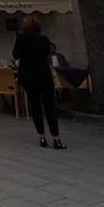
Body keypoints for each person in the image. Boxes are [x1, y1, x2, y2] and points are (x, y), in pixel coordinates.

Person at [12, 15, 66, 149]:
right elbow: (47, 53)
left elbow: (15, 54)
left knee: (35, 105)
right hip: (43, 75)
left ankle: (42, 137)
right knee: (49, 107)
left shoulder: (21, 39)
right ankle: (56, 138)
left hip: (29, 76)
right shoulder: (43, 39)